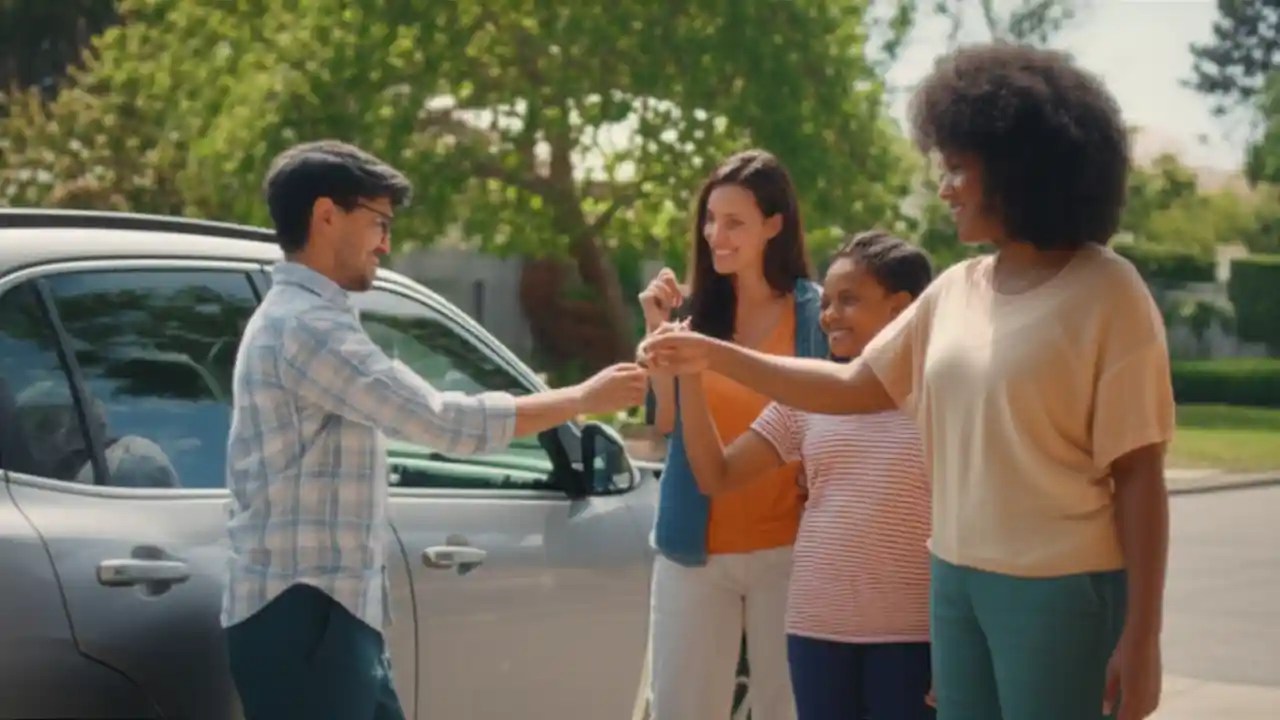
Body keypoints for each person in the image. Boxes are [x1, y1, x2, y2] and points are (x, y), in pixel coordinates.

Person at [643, 43, 1174, 720]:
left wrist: (1144, 637)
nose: (944, 188)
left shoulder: (1109, 291)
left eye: (958, 169)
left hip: (1060, 589)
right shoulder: (955, 290)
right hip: (955, 584)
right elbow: (846, 386)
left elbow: (1139, 475)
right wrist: (708, 355)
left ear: (1018, 170)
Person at [222, 140, 648, 720]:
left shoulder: (309, 320)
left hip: (330, 613)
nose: (386, 244)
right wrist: (581, 398)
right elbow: (442, 422)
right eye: (378, 223)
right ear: (326, 216)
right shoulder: (306, 328)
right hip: (305, 613)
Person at [675, 230, 936, 720]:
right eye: (829, 300)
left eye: (849, 300)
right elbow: (717, 475)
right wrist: (689, 376)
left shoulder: (941, 398)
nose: (829, 314)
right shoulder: (808, 399)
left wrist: (955, 645)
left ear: (902, 309)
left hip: (914, 637)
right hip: (817, 634)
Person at [638, 149, 827, 720]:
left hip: (791, 548)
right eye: (711, 219)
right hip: (696, 548)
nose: (716, 234)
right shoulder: (690, 313)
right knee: (682, 708)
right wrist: (657, 329)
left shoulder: (814, 315)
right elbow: (664, 423)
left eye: (735, 221)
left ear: (775, 225)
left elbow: (827, 420)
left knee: (787, 710)